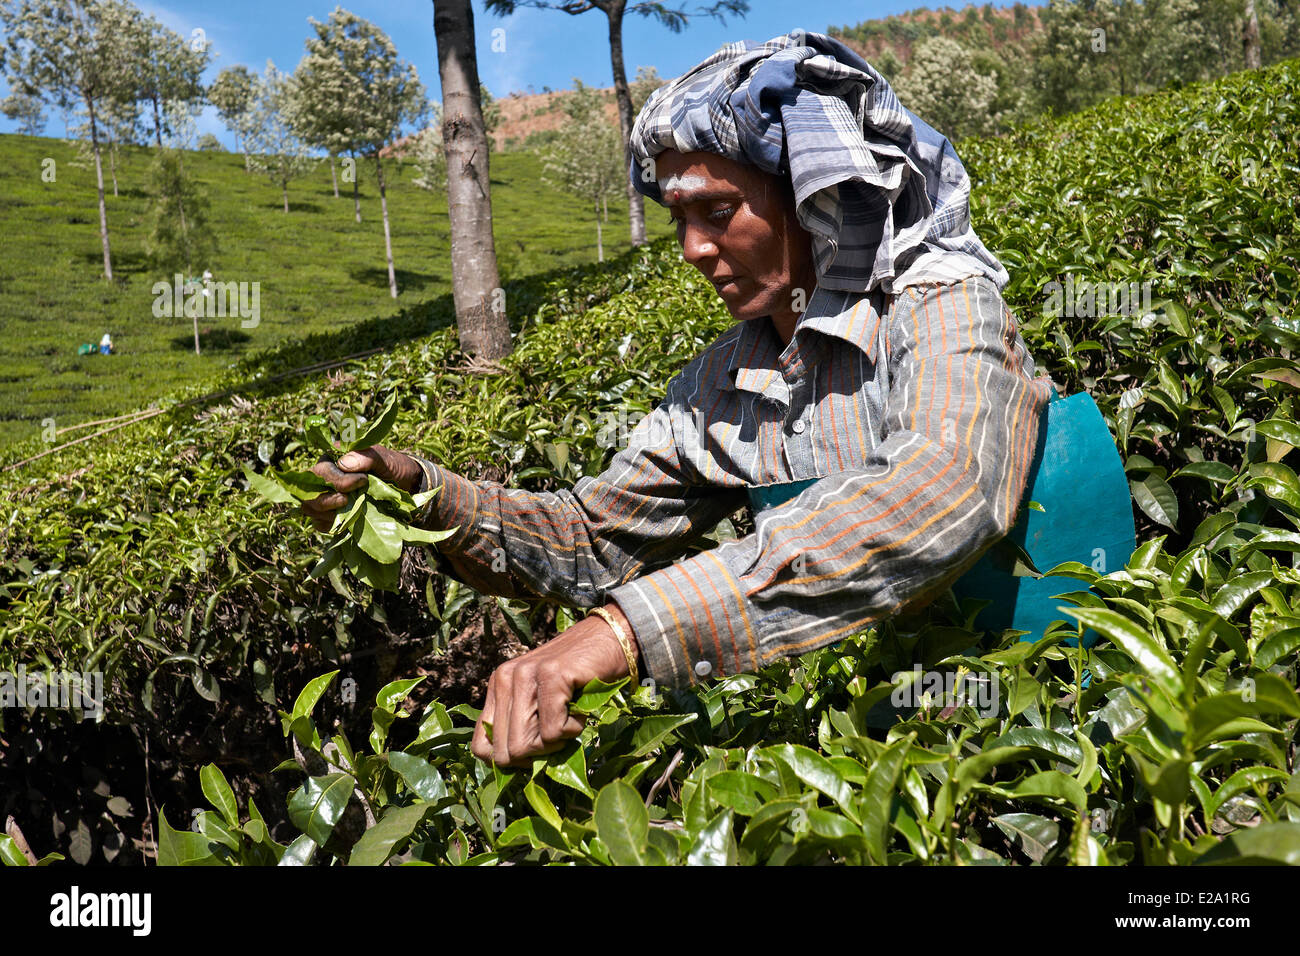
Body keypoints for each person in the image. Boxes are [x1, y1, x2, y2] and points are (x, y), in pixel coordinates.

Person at [301, 31, 1054, 768]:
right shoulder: (718, 383)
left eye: (718, 211)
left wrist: (626, 633)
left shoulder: (944, 309)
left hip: (1035, 733)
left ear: (814, 197)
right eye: (679, 219)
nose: (692, 248)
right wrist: (425, 494)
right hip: (864, 760)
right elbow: (591, 542)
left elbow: (942, 487)